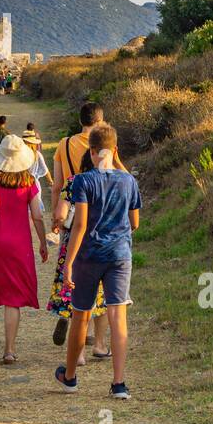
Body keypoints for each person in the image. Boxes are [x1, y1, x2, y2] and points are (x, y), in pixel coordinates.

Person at [54, 123, 141, 399]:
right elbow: (135, 223)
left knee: (81, 313)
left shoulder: (83, 181)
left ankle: (70, 377)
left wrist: (68, 263)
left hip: (89, 255)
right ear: (115, 151)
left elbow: (79, 225)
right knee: (118, 315)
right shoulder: (129, 181)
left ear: (91, 152)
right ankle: (119, 383)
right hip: (119, 255)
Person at [48, 102, 127, 356]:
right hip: (105, 224)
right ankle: (100, 343)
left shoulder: (65, 143)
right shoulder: (106, 144)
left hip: (74, 221)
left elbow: (58, 183)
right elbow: (124, 177)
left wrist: (56, 220)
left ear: (79, 119)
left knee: (75, 281)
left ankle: (77, 344)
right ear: (102, 121)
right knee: (103, 289)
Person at [0, 134, 49, 363]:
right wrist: (43, 243)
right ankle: (9, 350)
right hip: (19, 244)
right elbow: (37, 216)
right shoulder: (28, 182)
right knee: (13, 298)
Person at [22, 125, 54, 237]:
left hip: (21, 185)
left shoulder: (19, 155)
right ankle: (30, 229)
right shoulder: (37, 154)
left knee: (24, 210)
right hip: (34, 185)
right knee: (35, 211)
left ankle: (25, 229)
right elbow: (45, 171)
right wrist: (51, 182)